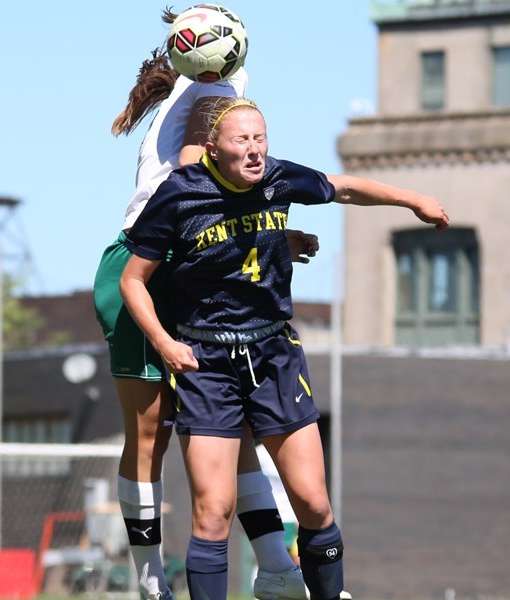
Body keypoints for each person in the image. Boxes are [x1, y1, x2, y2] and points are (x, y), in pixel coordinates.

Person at [119, 98, 449, 600]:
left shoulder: (278, 177)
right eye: (240, 142)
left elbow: (345, 188)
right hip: (207, 365)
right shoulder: (180, 195)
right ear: (212, 149)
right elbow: (133, 281)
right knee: (212, 512)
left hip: (274, 355)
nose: (254, 152)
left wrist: (412, 199)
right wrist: (165, 344)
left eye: (260, 139)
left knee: (314, 504)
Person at [92, 10, 318, 600]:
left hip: (197, 258)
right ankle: (148, 584)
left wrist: (270, 237)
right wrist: (266, 231)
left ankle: (275, 567)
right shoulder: (215, 88)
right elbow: (197, 175)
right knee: (149, 438)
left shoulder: (217, 80)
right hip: (148, 268)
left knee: (225, 427)